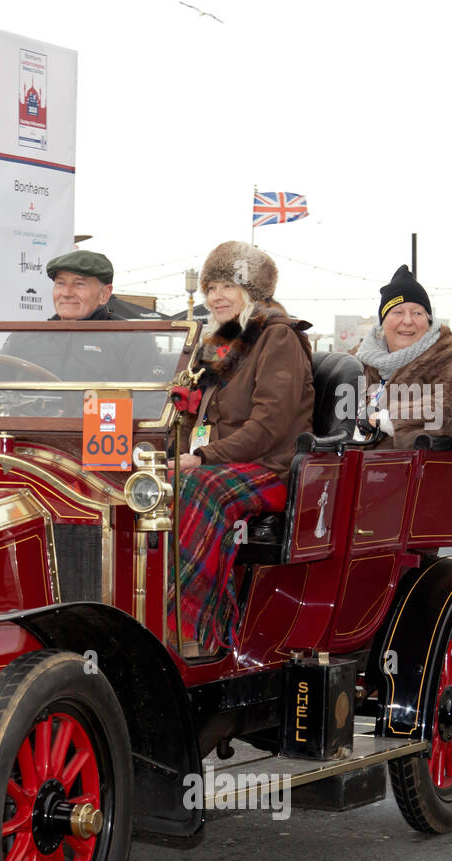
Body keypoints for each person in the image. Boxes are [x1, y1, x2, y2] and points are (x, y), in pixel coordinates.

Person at [170, 240, 314, 655]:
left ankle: (191, 632)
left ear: (253, 292)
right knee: (150, 487)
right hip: (225, 463)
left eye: (227, 286)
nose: (215, 296)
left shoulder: (278, 338)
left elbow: (269, 426)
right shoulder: (216, 346)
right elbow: (193, 416)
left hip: (272, 468)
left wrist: (201, 457)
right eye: (210, 287)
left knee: (200, 488)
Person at [0, 250, 161, 382]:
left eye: (79, 284)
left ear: (105, 294)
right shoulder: (27, 337)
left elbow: (149, 408)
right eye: (60, 283)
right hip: (25, 450)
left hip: (93, 458)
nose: (66, 293)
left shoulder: (131, 337)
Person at [355, 265, 452, 447]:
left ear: (428, 320)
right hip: (354, 461)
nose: (408, 321)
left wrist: (386, 419)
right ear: (383, 321)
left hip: (410, 466)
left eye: (417, 313)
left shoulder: (449, 354)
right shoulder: (361, 359)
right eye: (398, 312)